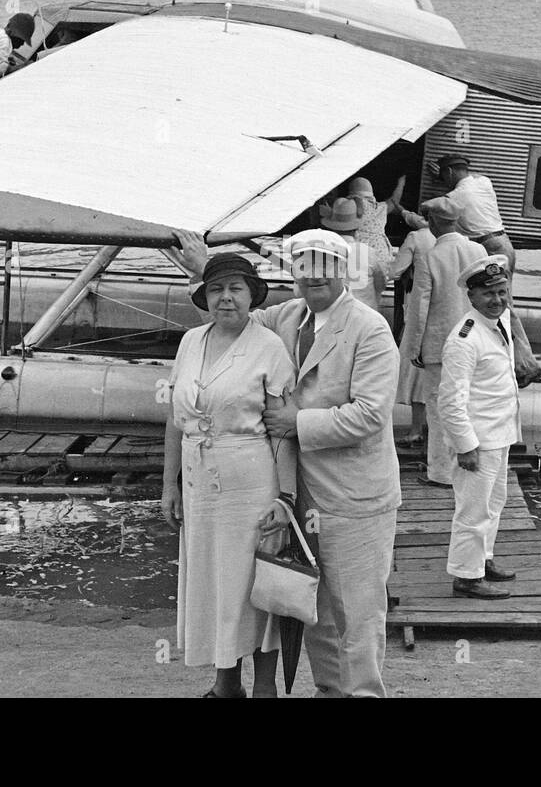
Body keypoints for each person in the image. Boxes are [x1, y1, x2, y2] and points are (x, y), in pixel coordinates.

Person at [172, 229, 401, 698]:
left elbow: (373, 414)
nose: (313, 276)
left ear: (342, 271)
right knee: (311, 605)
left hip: (355, 492)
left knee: (357, 610)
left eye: (324, 266)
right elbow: (234, 309)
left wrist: (298, 421)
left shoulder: (369, 328)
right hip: (301, 489)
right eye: (304, 266)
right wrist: (204, 269)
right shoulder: (290, 316)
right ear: (294, 273)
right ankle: (330, 690)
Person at [161, 253, 298, 698]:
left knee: (253, 586)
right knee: (212, 583)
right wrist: (170, 484)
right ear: (204, 297)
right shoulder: (190, 342)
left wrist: (286, 498)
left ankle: (263, 689)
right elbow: (175, 420)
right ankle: (224, 686)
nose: (225, 298)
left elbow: (281, 430)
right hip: (200, 485)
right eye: (216, 289)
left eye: (235, 289)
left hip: (251, 484)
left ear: (251, 296)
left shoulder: (269, 347)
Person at [438, 254, 541, 599]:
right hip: (479, 441)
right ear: (472, 297)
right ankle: (466, 577)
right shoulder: (464, 340)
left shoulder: (500, 322)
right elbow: (450, 401)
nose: (497, 300)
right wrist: (466, 446)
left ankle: (483, 559)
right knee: (473, 510)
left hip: (500, 434)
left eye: (502, 292)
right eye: (489, 294)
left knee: (494, 503)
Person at [414, 197, 487, 486]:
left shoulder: (430, 257)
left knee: (438, 409)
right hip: (474, 341)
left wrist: (414, 348)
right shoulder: (478, 249)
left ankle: (441, 474)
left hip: (439, 345)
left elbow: (420, 307)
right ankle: (471, 468)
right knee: (469, 405)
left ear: (432, 223)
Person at [407, 154, 517, 275]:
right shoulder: (484, 181)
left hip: (488, 248)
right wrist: (442, 175)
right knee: (502, 290)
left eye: (444, 176)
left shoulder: (455, 197)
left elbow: (427, 212)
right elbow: (471, 176)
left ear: (449, 171)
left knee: (488, 290)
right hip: (503, 243)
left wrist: (404, 212)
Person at [388, 220, 436, 445]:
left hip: (418, 304)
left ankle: (416, 429)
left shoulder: (416, 237)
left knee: (417, 372)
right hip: (444, 312)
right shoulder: (460, 240)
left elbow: (395, 271)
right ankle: (430, 429)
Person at [319, 197, 386, 308]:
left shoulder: (321, 253)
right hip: (365, 316)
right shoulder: (369, 253)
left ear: (332, 228)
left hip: (333, 316)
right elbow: (381, 285)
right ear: (355, 229)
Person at [345, 175, 407, 276]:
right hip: (382, 259)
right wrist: (401, 184)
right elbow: (394, 200)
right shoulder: (381, 207)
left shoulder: (351, 205)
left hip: (360, 258)